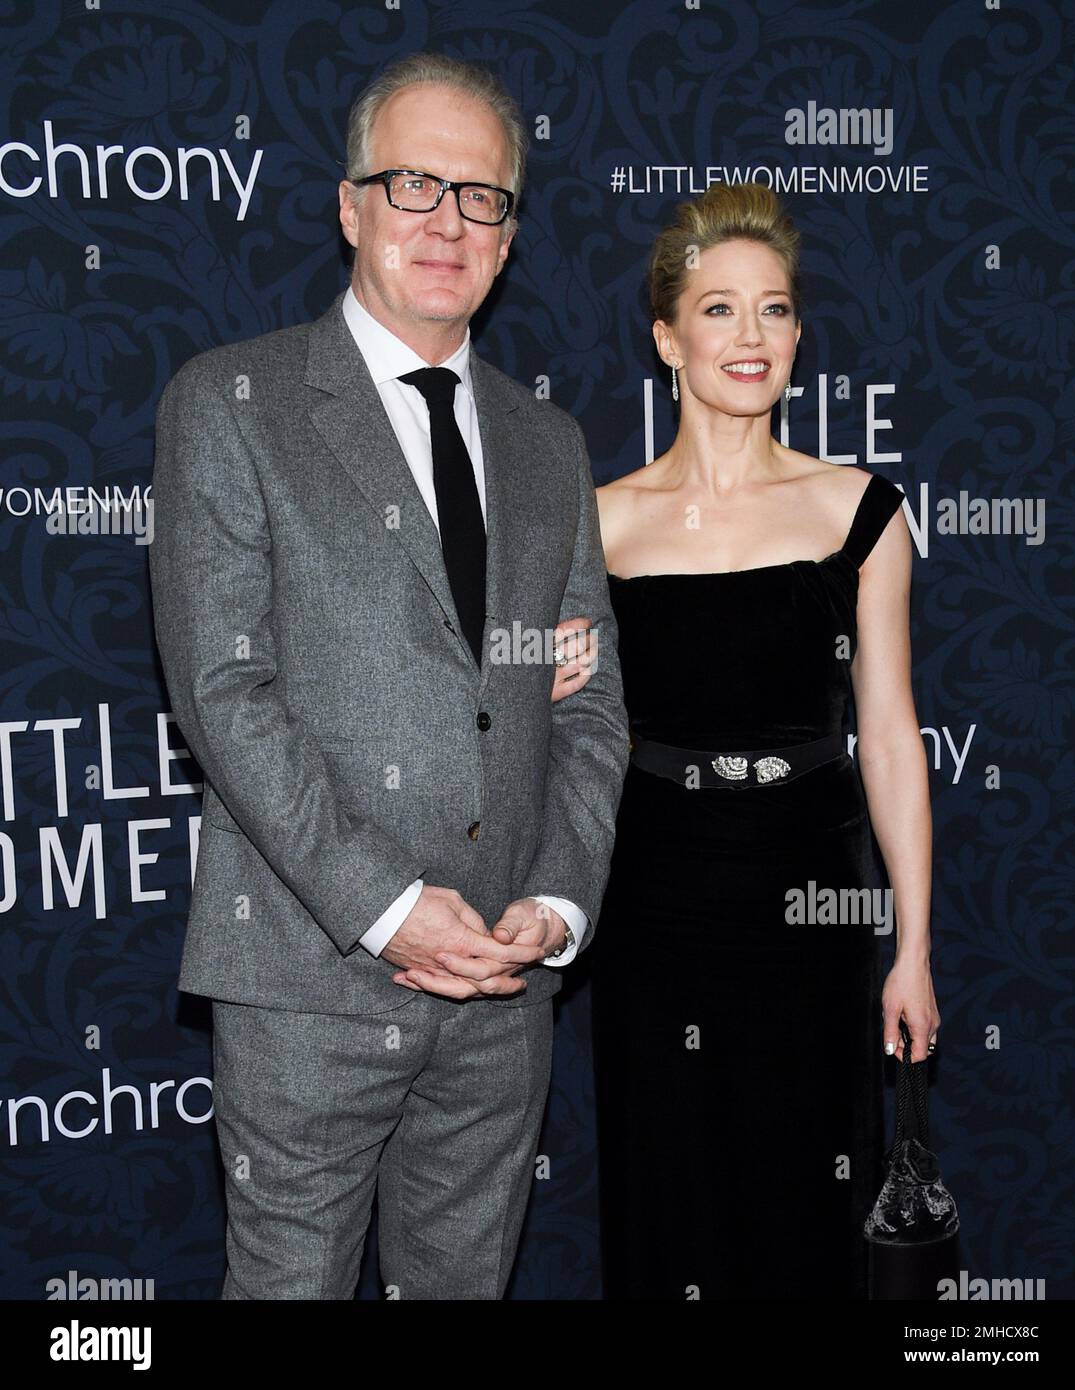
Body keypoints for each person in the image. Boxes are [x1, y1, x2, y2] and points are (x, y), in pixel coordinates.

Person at [148, 51, 629, 1300]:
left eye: (482, 199)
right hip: (310, 977)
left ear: (511, 239)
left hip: (504, 992)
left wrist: (558, 905)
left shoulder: (549, 443)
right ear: (349, 204)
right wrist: (388, 904)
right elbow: (224, 696)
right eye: (414, 184)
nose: (446, 223)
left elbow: (590, 713)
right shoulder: (232, 404)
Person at [551, 182, 940, 1299]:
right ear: (668, 337)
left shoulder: (858, 509)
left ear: (799, 337)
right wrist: (543, 681)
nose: (751, 336)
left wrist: (911, 947)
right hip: (655, 902)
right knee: (671, 1197)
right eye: (718, 310)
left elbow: (891, 734)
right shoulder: (600, 519)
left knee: (808, 1204)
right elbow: (548, 718)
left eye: (774, 310)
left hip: (808, 896)